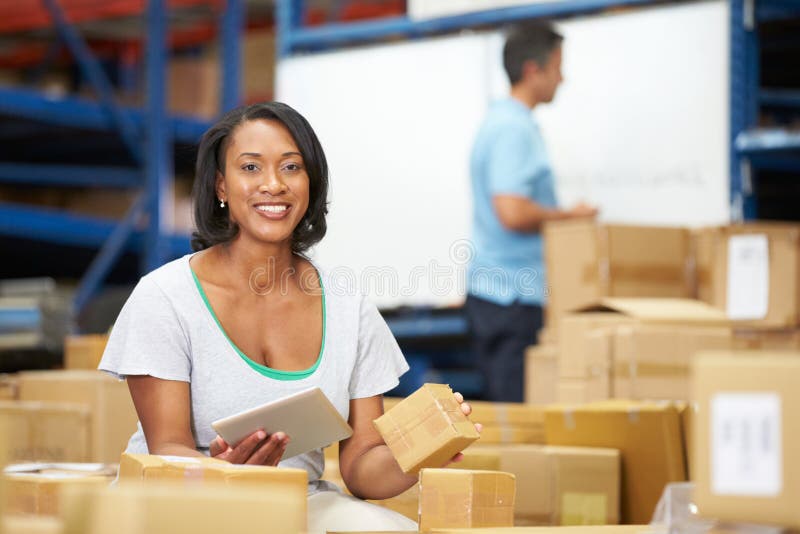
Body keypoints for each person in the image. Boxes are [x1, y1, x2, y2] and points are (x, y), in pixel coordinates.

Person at [98, 102, 479, 533]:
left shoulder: (347, 306)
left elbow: (361, 467)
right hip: (180, 500)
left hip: (295, 500)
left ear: (311, 184)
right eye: (251, 168)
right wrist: (223, 473)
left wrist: (421, 452)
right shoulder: (165, 296)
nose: (274, 185)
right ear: (221, 186)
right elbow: (167, 446)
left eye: (291, 167)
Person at [466, 21, 598, 402]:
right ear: (532, 70)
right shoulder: (512, 129)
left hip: (502, 294)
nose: (563, 78)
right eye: (558, 67)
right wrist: (571, 218)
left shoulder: (503, 122)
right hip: (511, 297)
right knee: (516, 418)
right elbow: (511, 210)